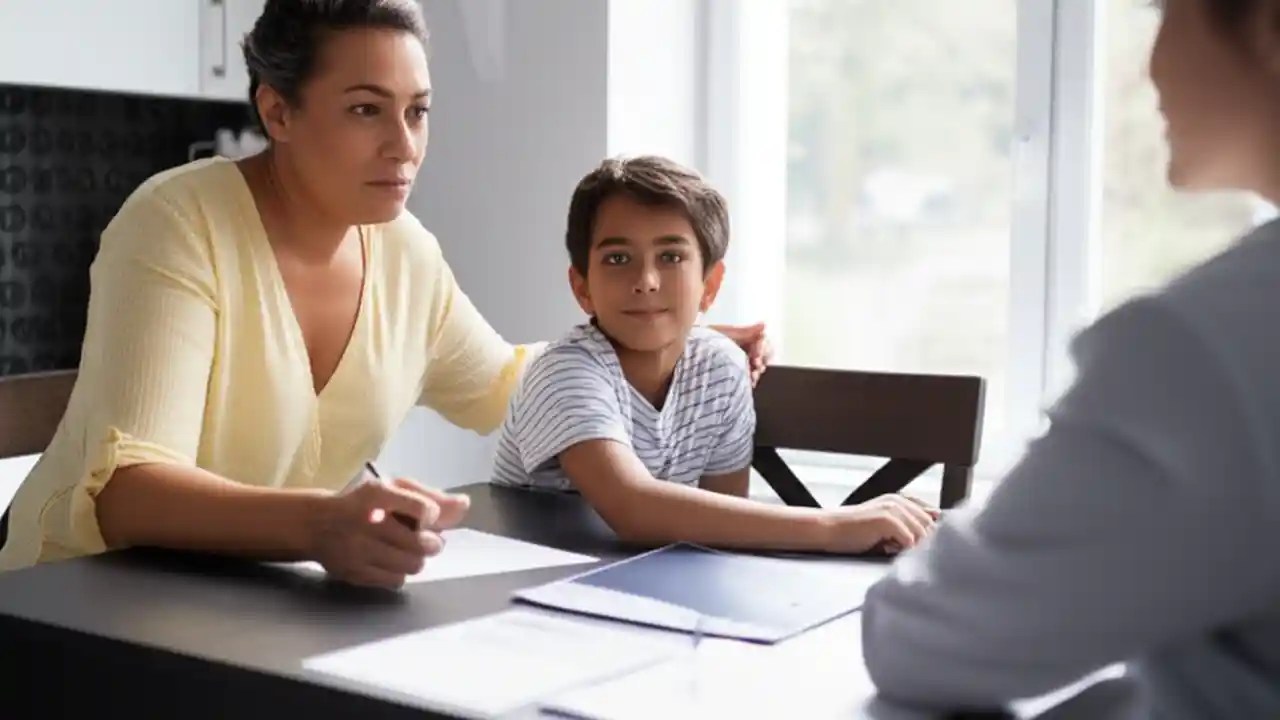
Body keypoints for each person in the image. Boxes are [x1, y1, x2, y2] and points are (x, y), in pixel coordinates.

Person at [0, 0, 770, 589]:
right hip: (74, 604)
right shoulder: (176, 224)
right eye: (367, 109)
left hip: (246, 602)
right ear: (277, 111)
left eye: (418, 111)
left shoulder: (406, 255)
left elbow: (513, 388)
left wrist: (654, 341)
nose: (405, 146)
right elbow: (127, 495)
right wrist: (319, 527)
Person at [861, 0, 1280, 716]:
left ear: (1269, 25)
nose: (1152, 67)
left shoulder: (1210, 346)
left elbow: (924, 635)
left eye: (1166, 13)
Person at [492, 156, 939, 554]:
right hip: (528, 602)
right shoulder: (564, 372)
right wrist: (831, 525)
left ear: (710, 285)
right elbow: (632, 508)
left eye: (670, 256)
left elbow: (726, 523)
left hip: (652, 595)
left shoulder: (720, 368)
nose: (646, 279)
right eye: (617, 259)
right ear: (582, 288)